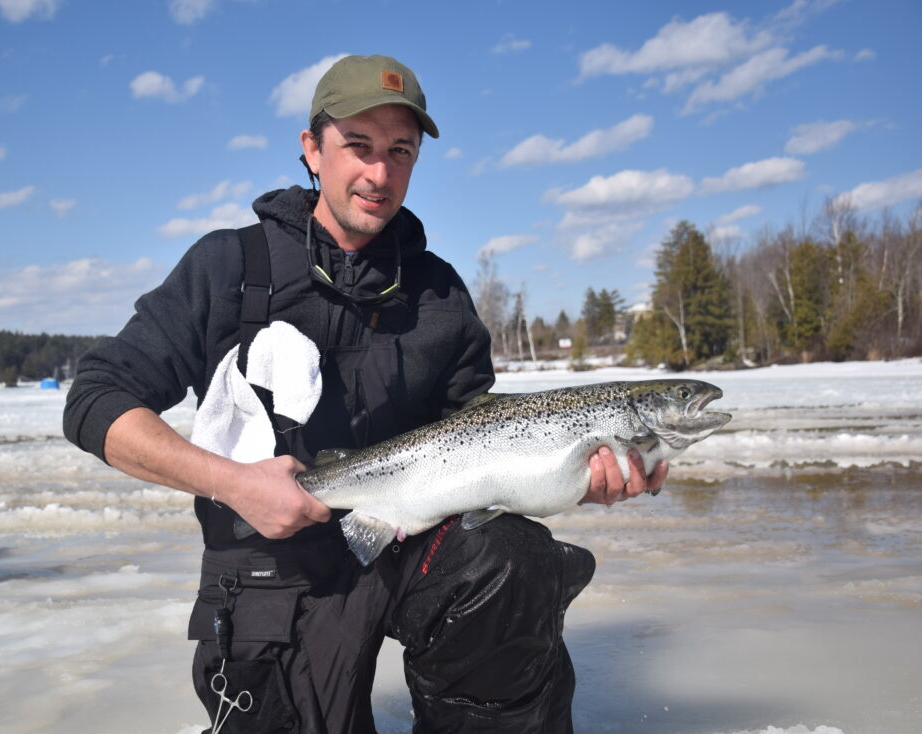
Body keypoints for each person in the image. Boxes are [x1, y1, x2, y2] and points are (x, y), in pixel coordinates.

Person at [63, 54, 666, 734]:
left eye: (400, 152)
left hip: (410, 546)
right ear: (311, 150)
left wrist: (567, 476)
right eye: (359, 146)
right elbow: (95, 400)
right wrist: (232, 482)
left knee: (514, 561)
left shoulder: (439, 293)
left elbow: (482, 444)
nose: (380, 174)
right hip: (270, 572)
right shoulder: (231, 267)